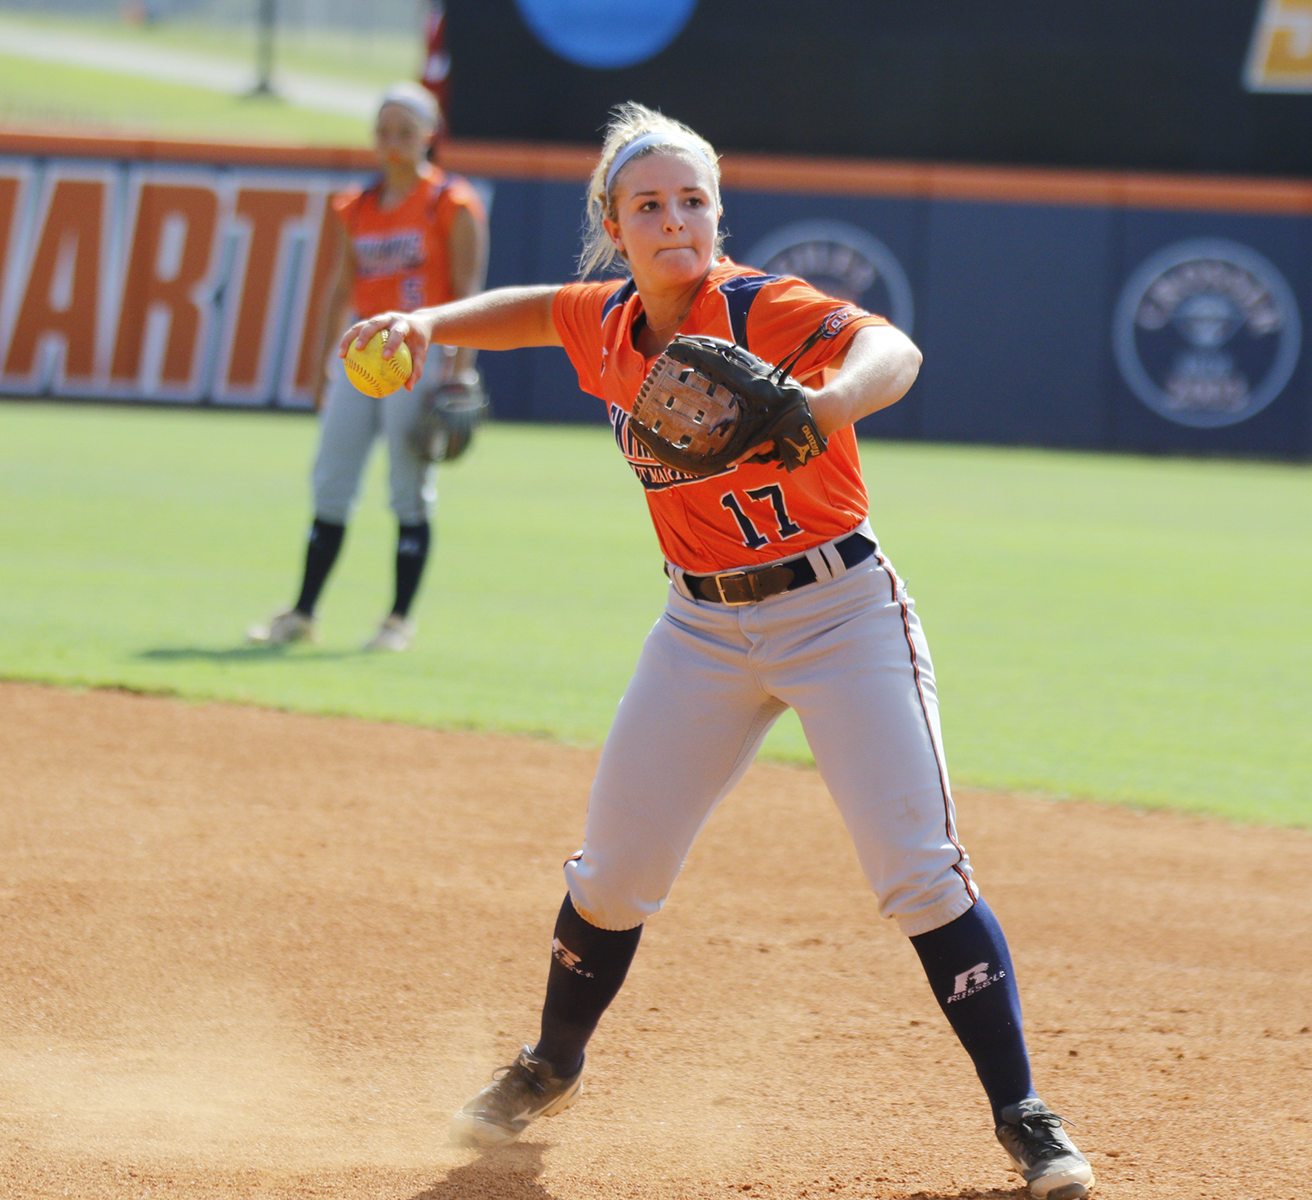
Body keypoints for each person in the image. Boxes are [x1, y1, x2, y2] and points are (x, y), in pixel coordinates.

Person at [340, 102, 1094, 1200]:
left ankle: (1026, 1114)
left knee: (919, 872)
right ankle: (551, 1064)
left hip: (838, 613)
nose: (674, 218)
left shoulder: (761, 307)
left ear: (717, 214)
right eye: (648, 204)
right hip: (700, 627)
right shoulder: (605, 321)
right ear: (613, 220)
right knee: (613, 875)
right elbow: (536, 312)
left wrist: (825, 402)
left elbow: (896, 349)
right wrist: (424, 324)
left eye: (693, 200)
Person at [247, 82, 486, 653]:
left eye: (405, 131)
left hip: (420, 360)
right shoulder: (354, 205)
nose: (392, 142)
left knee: (408, 489)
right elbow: (338, 289)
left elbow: (467, 289)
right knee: (331, 482)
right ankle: (302, 613)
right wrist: (319, 367)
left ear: (430, 135)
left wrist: (459, 369)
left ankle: (397, 621)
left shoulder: (450, 202)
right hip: (360, 362)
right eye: (384, 130)